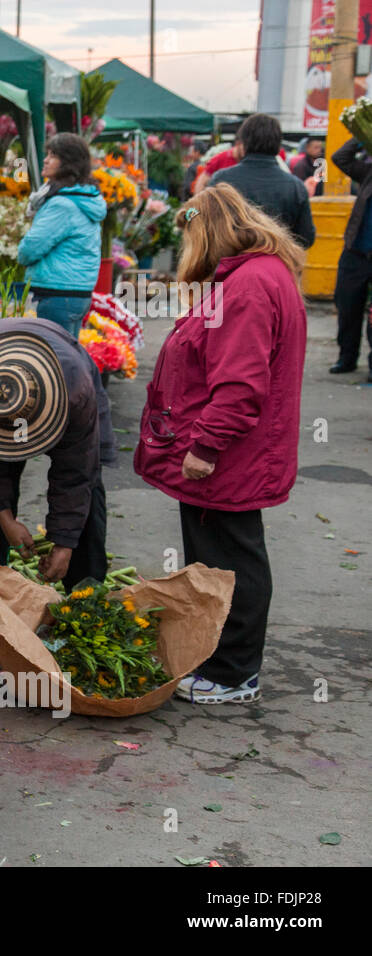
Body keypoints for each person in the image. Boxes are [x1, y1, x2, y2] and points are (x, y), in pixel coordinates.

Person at [134, 185, 306, 704]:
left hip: (235, 454)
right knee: (227, 554)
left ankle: (234, 674)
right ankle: (226, 663)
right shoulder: (262, 273)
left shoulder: (247, 287)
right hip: (246, 450)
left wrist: (205, 447)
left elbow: (240, 384)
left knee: (231, 559)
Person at [0, 316, 115, 589]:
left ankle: (84, 590)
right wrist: (6, 520)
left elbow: (76, 474)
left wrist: (64, 544)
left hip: (67, 372)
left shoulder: (76, 391)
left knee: (90, 482)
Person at [17, 133, 106, 339]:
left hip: (57, 292)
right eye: (47, 154)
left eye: (53, 155)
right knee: (68, 357)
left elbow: (31, 248)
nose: (46, 160)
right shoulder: (84, 197)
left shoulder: (61, 204)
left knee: (55, 360)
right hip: (76, 291)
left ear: (68, 163)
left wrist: (21, 255)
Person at [209, 113, 315, 248]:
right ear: (278, 146)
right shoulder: (296, 187)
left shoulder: (221, 179)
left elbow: (201, 219)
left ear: (244, 144)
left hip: (231, 263)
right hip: (278, 263)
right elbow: (306, 238)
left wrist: (187, 215)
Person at [327, 135, 372, 376]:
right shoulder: (368, 172)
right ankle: (347, 358)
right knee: (347, 306)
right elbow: (339, 157)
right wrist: (363, 136)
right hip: (356, 251)